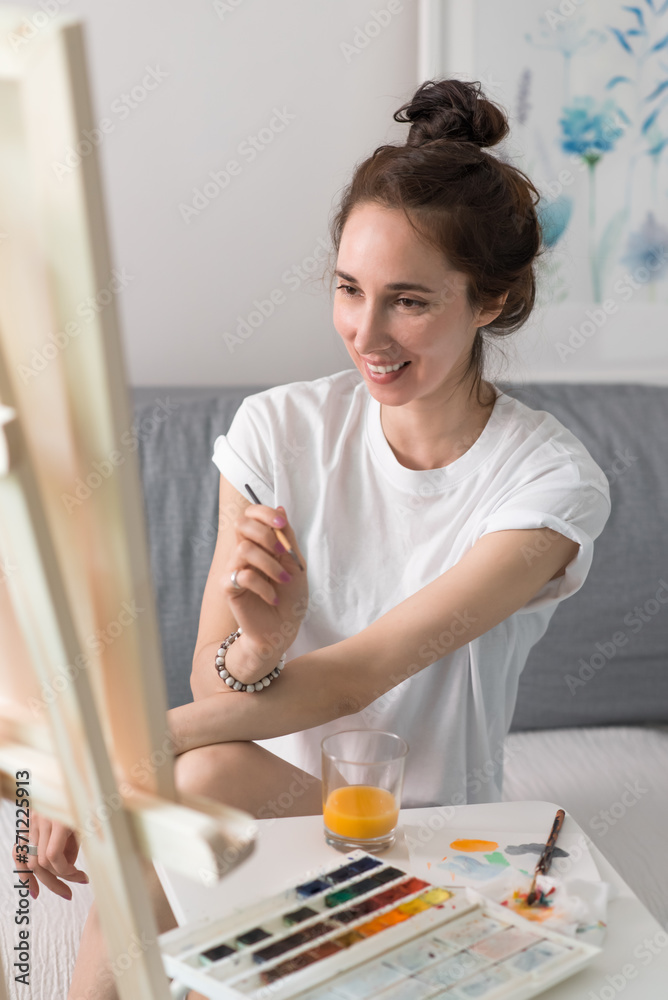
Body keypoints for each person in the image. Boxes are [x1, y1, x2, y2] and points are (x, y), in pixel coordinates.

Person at [20, 78, 611, 1000]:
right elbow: (210, 678)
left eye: (409, 301)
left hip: (423, 832)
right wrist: (259, 645)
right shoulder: (276, 432)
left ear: (489, 302)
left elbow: (354, 677)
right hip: (260, 802)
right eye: (347, 289)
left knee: (169, 772)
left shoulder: (547, 485)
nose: (365, 334)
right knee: (197, 771)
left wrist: (96, 763)